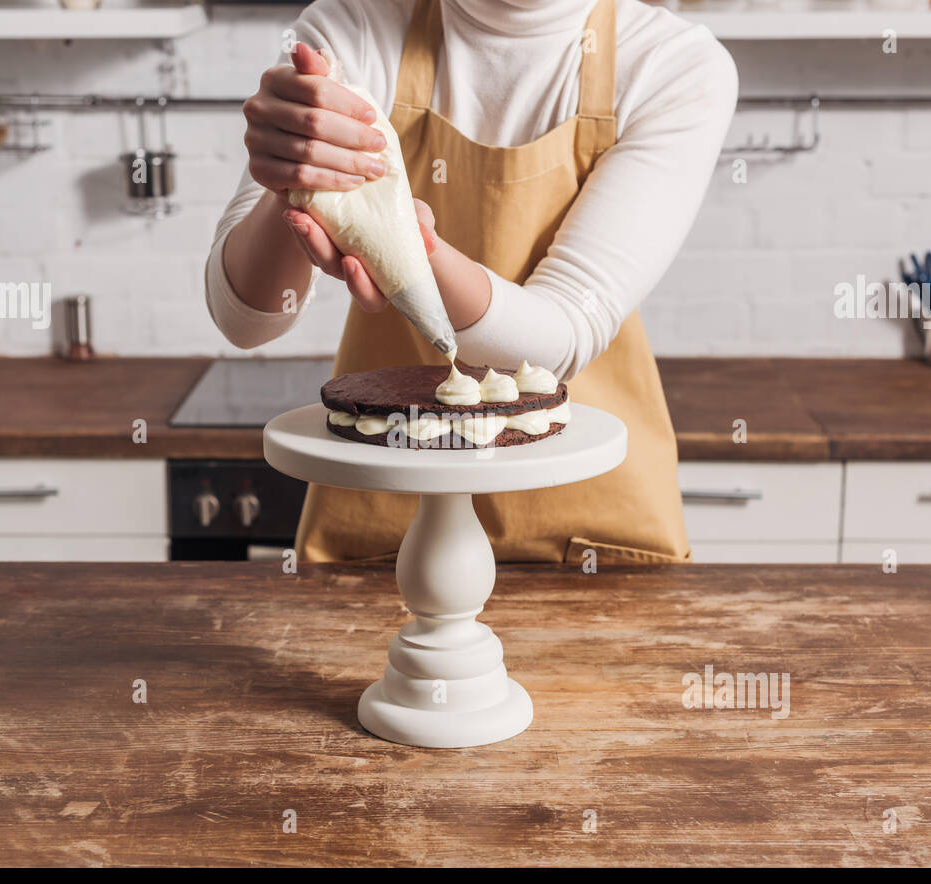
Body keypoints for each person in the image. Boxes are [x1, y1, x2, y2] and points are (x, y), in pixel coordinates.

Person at [206, 0, 738, 563]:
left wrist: (403, 247)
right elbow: (246, 319)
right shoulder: (358, 28)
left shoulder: (670, 63)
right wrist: (295, 178)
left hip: (588, 532)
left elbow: (556, 343)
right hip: (387, 519)